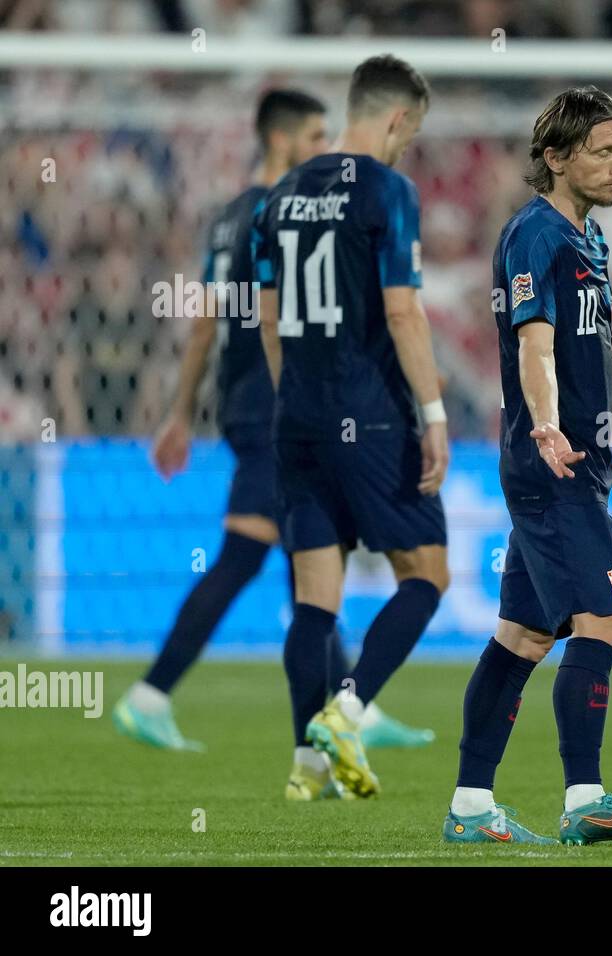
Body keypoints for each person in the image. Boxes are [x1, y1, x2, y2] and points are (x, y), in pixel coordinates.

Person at [113, 89, 432, 759]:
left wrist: (181, 410)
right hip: (275, 403)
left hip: (244, 401)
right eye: (317, 133)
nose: (326, 145)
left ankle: (349, 706)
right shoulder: (286, 210)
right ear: (283, 140)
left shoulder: (230, 215)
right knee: (246, 552)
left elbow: (205, 320)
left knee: (304, 556)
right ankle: (153, 693)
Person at [441, 86, 612, 846]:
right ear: (556, 158)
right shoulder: (535, 236)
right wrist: (543, 425)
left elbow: (592, 348)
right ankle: (584, 800)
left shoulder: (587, 240)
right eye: (603, 152)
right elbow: (534, 346)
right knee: (605, 620)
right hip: (552, 465)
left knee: (524, 639)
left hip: (581, 462)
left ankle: (471, 807)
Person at [252, 57, 450, 800]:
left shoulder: (279, 195)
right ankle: (350, 709)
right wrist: (431, 416)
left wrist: (294, 401)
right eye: (412, 133)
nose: (408, 148)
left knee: (314, 601)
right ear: (396, 119)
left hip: (295, 418)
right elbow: (402, 311)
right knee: (428, 575)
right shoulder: (388, 191)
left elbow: (269, 322)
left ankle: (308, 768)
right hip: (366, 414)